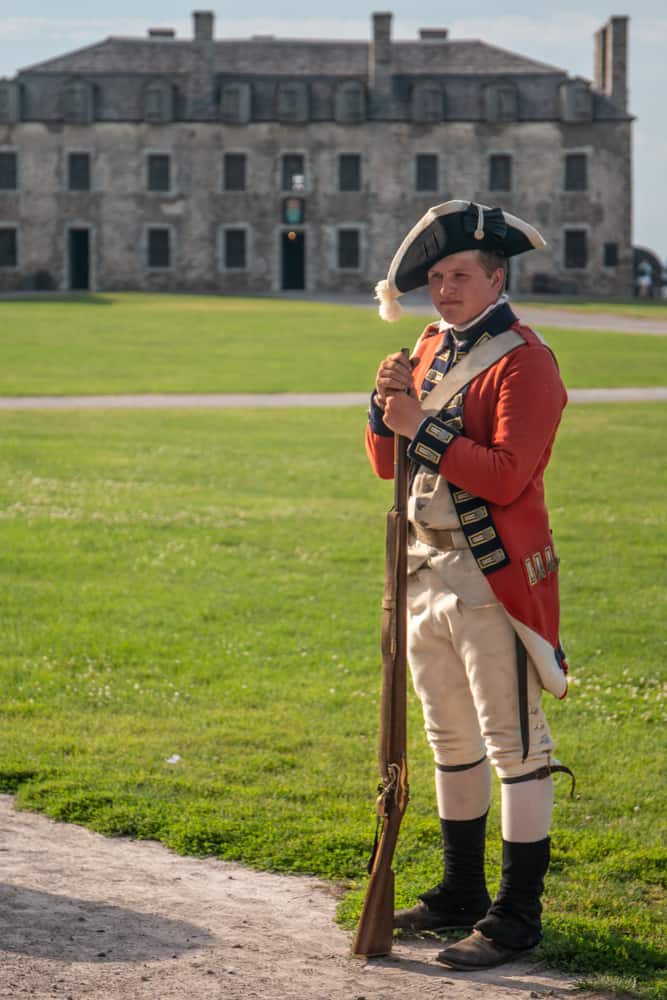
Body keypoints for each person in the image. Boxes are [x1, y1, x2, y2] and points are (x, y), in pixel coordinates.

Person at [365, 200, 573, 971]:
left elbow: (508, 476)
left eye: (459, 276)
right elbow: (388, 465)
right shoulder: (427, 347)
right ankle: (460, 891)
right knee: (447, 739)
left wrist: (420, 422)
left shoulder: (525, 360)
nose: (443, 289)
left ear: (496, 278)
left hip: (489, 575)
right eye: (435, 278)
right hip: (421, 567)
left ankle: (516, 915)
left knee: (513, 745)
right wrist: (382, 409)